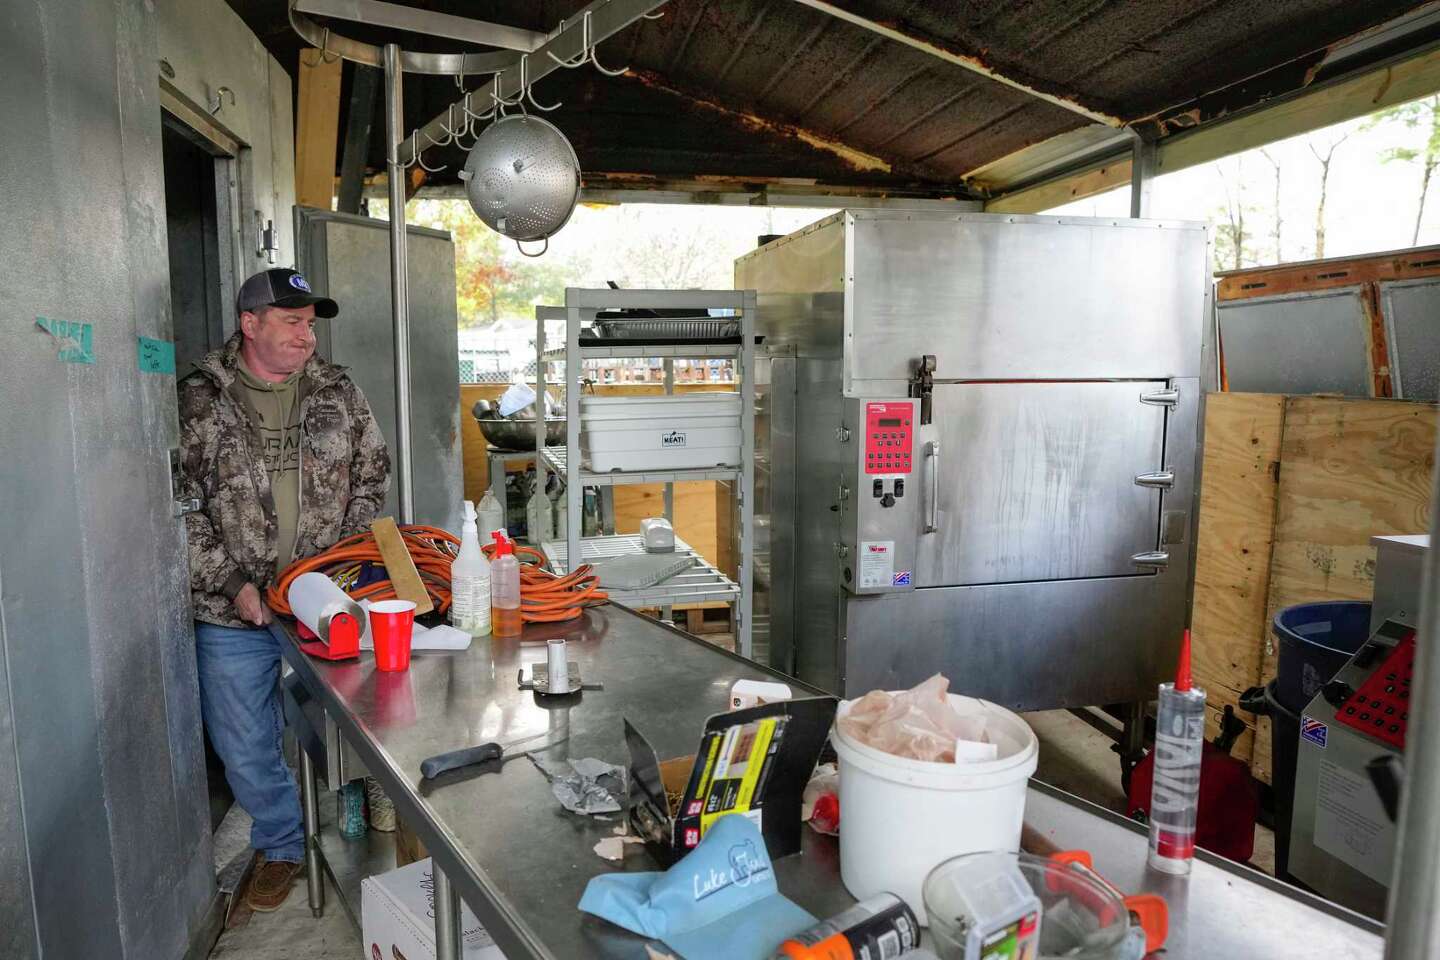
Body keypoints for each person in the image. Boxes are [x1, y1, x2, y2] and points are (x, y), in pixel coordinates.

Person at [178, 267, 390, 911]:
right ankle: (281, 843)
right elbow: (179, 504)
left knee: (366, 720)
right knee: (241, 739)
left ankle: (371, 815)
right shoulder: (197, 398)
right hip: (232, 607)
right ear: (250, 324)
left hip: (326, 601)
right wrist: (235, 582)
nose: (307, 336)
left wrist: (340, 575)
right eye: (292, 322)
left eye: (311, 324)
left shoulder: (337, 389)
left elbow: (372, 480)